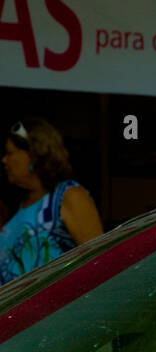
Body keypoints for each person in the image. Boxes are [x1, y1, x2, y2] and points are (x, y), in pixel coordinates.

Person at [0, 117, 103, 285]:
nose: (4, 160)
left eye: (10, 153)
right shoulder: (19, 207)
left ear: (33, 155)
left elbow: (100, 263)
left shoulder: (68, 196)